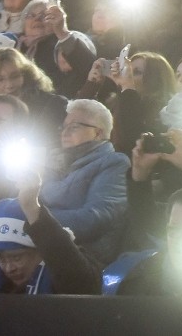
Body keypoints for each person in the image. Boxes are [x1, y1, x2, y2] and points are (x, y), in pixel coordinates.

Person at [42, 99, 130, 263]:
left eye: (74, 126)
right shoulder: (52, 165)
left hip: (84, 256)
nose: (65, 132)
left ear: (98, 133)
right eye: (64, 126)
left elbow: (93, 220)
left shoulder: (114, 163)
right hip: (44, 246)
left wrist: (36, 218)